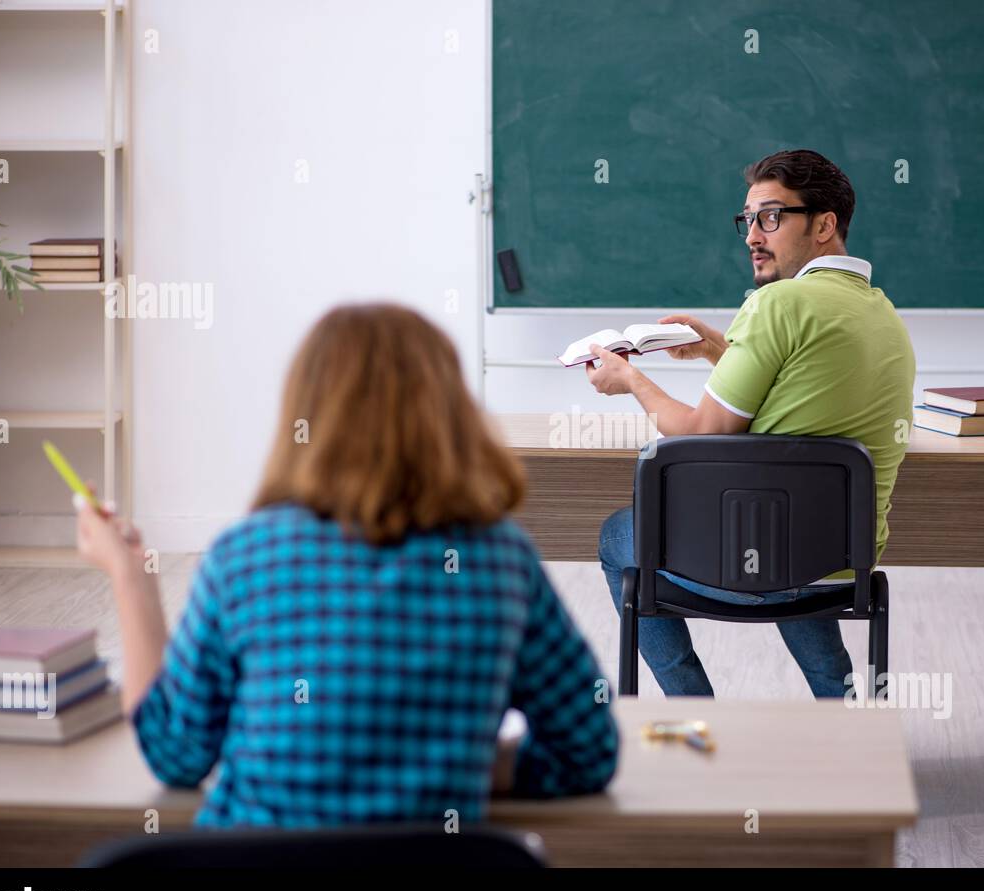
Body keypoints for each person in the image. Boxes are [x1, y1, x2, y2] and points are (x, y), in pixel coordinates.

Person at [76, 303, 618, 826]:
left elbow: (175, 756)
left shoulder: (244, 557)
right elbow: (587, 753)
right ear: (449, 415)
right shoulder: (501, 561)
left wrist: (130, 577)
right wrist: (455, 765)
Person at [587, 149, 916, 698]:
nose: (752, 236)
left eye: (771, 217)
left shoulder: (778, 304)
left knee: (616, 534)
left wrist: (631, 380)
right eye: (748, 219)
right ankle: (842, 708)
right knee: (789, 526)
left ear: (824, 224)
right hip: (839, 561)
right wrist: (719, 348)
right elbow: (798, 392)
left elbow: (701, 434)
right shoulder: (881, 311)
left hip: (753, 566)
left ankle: (695, 712)